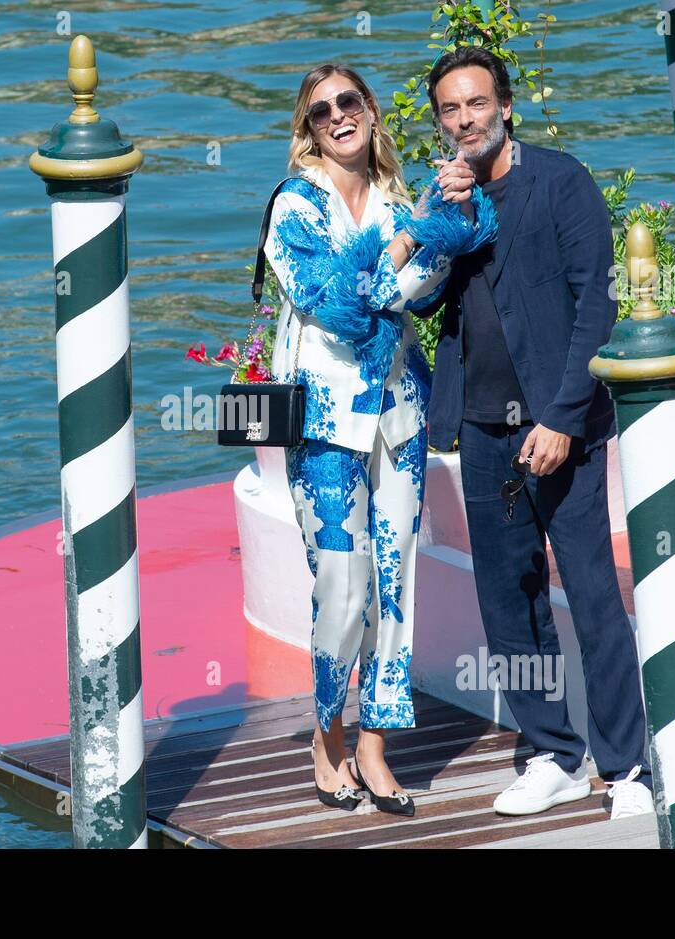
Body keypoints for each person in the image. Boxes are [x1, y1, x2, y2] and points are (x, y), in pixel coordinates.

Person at [416, 46, 655, 820]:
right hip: (484, 431)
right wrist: (439, 220)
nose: (464, 119)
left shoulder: (562, 183)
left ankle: (628, 770)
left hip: (563, 427)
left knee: (591, 594)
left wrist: (560, 414)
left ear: (505, 106)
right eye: (450, 109)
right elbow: (419, 303)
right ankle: (554, 750)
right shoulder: (445, 199)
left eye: (476, 103)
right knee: (506, 604)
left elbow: (598, 304)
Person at [264, 62, 496, 816]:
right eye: (322, 108)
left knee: (395, 586)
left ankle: (374, 745)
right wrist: (402, 249)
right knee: (345, 583)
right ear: (309, 128)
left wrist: (445, 214)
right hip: (324, 424)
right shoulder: (292, 208)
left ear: (369, 112)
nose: (339, 115)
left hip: (397, 414)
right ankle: (325, 733)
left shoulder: (400, 197)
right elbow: (336, 303)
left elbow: (421, 285)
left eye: (350, 101)